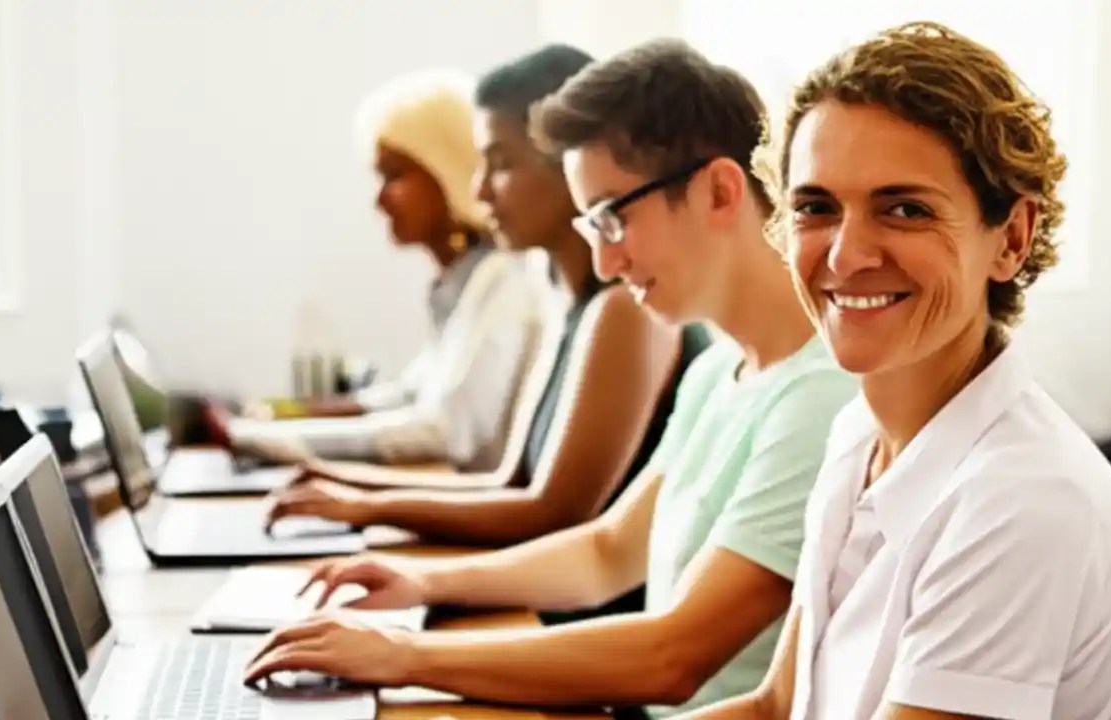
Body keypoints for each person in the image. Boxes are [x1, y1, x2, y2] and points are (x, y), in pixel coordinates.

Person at [244, 40, 856, 718]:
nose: (605, 261)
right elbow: (608, 552)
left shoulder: (821, 396)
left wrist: (406, 655)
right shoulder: (719, 371)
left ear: (719, 191)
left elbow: (674, 657)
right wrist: (420, 582)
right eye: (592, 226)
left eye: (614, 217)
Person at [686, 22, 1111, 720]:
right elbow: (779, 705)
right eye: (816, 207)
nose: (845, 256)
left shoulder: (1023, 499)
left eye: (905, 210)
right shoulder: (857, 434)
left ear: (1011, 239)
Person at [259, 44, 706, 590]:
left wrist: (370, 508)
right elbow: (509, 481)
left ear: (571, 165)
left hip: (580, 606)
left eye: (501, 164)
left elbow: (554, 513)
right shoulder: (559, 294)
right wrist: (349, 489)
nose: (477, 190)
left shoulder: (626, 310)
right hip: (546, 588)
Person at [225, 69, 549, 471]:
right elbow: (411, 394)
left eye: (394, 176)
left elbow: (445, 431)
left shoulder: (505, 279)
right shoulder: (460, 283)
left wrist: (259, 440)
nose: (379, 200)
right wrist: (284, 416)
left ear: (447, 170)